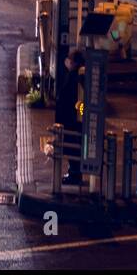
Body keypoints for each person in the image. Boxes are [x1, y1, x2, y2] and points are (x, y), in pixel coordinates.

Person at [55, 47, 86, 185]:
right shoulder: (77, 75)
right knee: (73, 146)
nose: (66, 61)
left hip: (71, 120)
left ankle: (74, 174)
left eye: (69, 59)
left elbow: (74, 101)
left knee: (72, 146)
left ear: (73, 62)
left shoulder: (75, 77)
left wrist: (78, 115)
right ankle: (74, 172)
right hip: (74, 119)